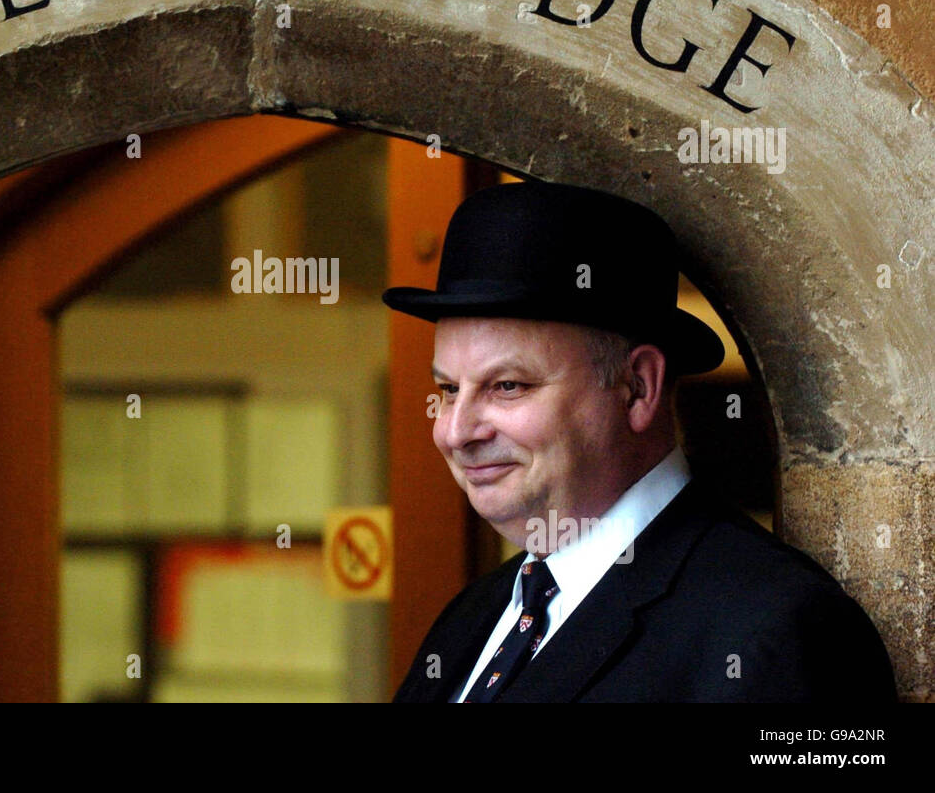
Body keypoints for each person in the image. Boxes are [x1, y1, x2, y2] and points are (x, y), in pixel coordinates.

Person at [383, 180, 896, 702]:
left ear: (637, 388)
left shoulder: (777, 628)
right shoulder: (471, 617)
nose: (456, 431)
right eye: (448, 389)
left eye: (507, 386)